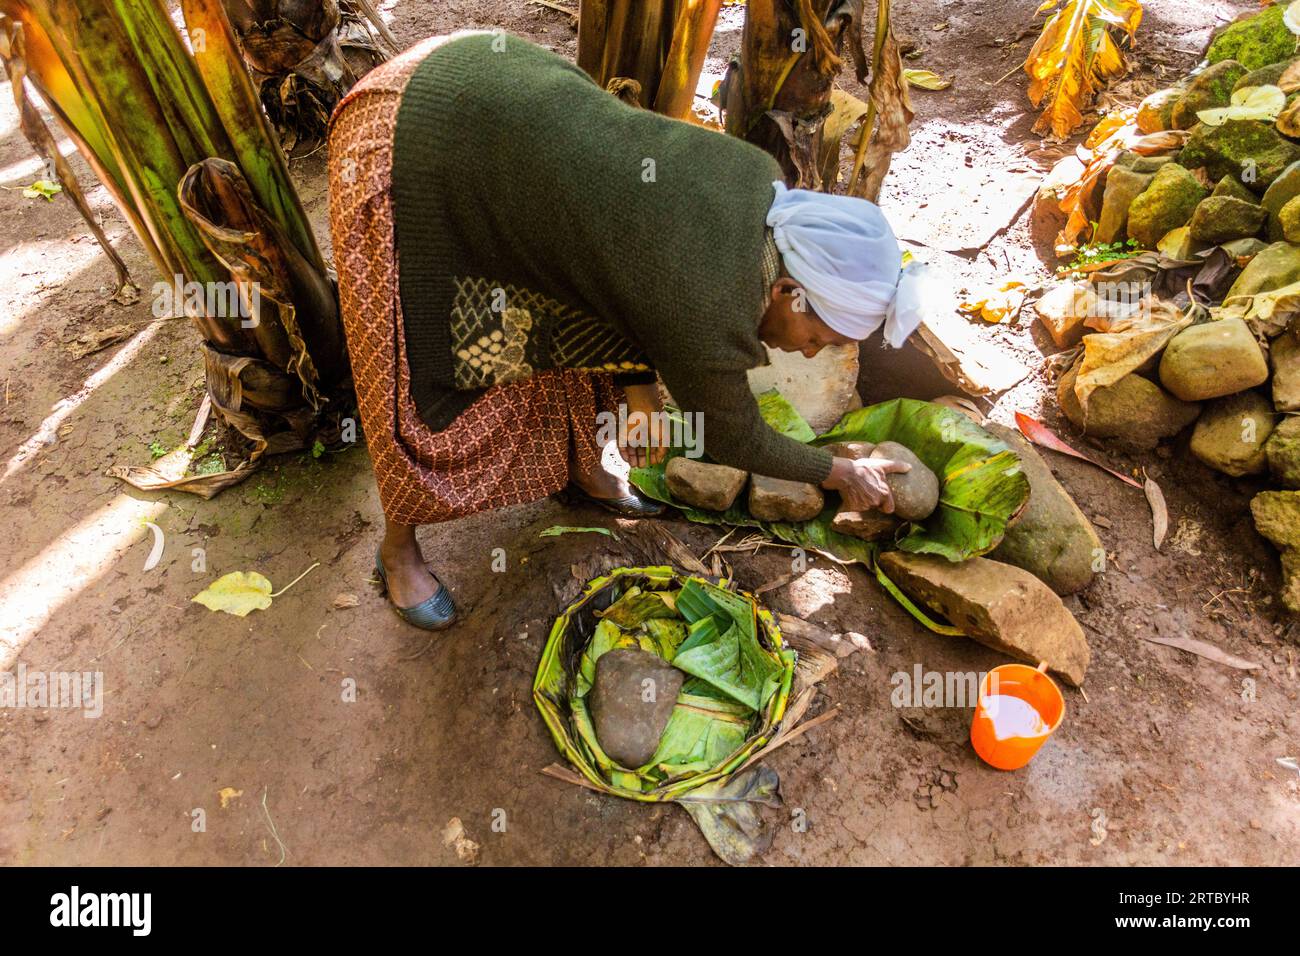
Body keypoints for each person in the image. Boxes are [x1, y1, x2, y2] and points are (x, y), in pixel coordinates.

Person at [327, 30, 931, 630]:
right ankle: (397, 551)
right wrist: (842, 471)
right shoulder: (710, 308)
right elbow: (735, 437)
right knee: (407, 367)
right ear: (786, 292)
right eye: (818, 337)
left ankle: (583, 470)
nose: (807, 351)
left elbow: (632, 270)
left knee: (559, 315)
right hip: (412, 132)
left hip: (496, 80)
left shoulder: (760, 182)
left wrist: (641, 395)